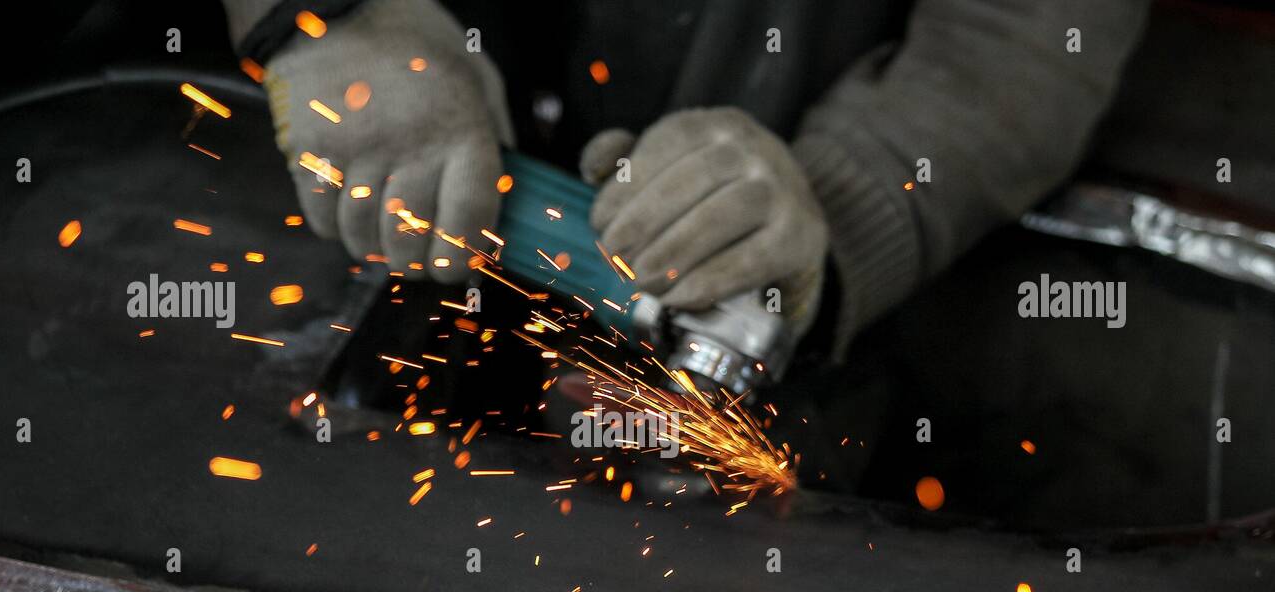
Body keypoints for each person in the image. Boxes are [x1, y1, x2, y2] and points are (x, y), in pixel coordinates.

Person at [222, 0, 1149, 363]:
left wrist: (825, 204)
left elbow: (1022, 44)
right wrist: (328, 21)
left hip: (812, 309)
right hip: (280, 212)